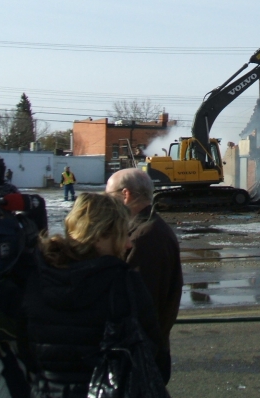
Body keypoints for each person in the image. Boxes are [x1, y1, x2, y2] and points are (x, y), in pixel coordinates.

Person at [21, 193, 164, 397]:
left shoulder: (37, 276)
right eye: (122, 234)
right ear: (100, 236)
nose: (128, 244)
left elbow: (21, 344)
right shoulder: (122, 282)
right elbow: (149, 346)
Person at [106, 168, 182, 382]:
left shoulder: (146, 237)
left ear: (125, 194)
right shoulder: (146, 230)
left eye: (109, 196)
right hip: (145, 352)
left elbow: (141, 308)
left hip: (141, 356)